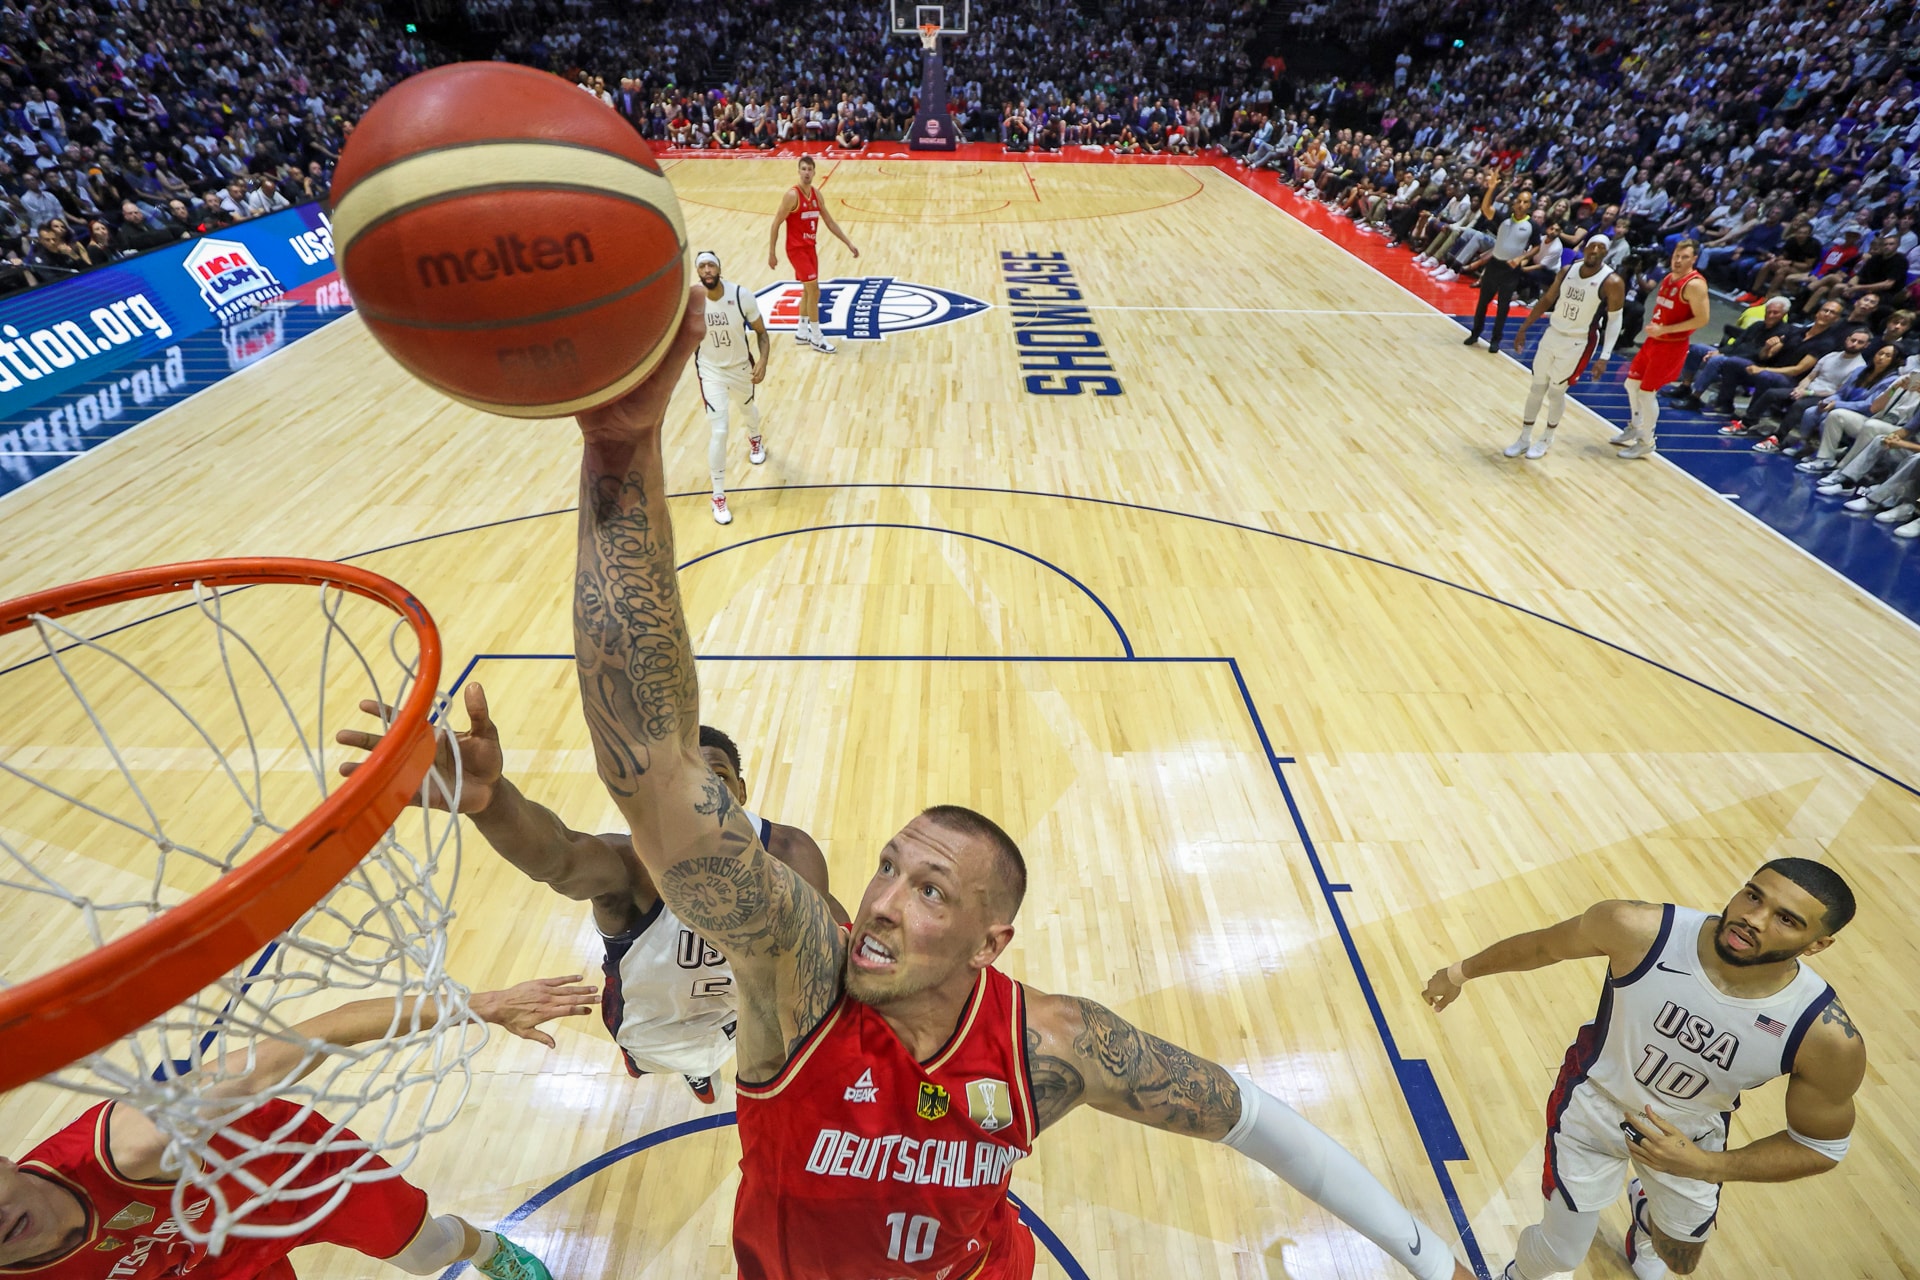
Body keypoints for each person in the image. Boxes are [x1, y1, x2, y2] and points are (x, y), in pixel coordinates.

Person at [563, 297, 1474, 1280]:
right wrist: (620, 442)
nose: (877, 901)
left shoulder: (1053, 1045)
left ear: (992, 942)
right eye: (888, 866)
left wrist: (1430, 1256)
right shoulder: (797, 973)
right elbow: (652, 762)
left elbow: (1242, 1113)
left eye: (930, 890)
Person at [336, 683, 842, 1105]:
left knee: (720, 1051)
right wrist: (491, 803)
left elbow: (832, 943)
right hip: (652, 1023)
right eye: (691, 783)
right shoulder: (634, 866)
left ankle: (701, 1068)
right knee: (653, 1063)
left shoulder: (792, 853)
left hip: (736, 1018)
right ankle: (683, 1068)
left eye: (720, 778)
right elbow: (561, 856)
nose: (707, 794)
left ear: (743, 790)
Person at [1423, 860, 1863, 1280]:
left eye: (1786, 920)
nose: (1755, 919)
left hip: (1689, 1136)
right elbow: (1543, 946)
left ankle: (1646, 1212)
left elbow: (1820, 1147)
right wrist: (1457, 973)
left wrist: (1708, 1166)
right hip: (1592, 1105)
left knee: (1681, 1261)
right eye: (1752, 896)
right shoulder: (1639, 929)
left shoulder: (1824, 1036)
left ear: (1817, 945)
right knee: (1560, 1253)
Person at [0, 976, 593, 1280]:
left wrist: (484, 1005)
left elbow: (327, 1028)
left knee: (427, 1253)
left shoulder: (134, 1141)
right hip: (191, 1253)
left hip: (285, 1168)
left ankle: (492, 1250)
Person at [1505, 235, 1625, 460]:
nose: (1595, 250)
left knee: (1556, 391)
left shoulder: (1612, 282)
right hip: (1553, 333)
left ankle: (1547, 437)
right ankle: (1524, 438)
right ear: (1585, 248)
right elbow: (1548, 299)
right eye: (1592, 246)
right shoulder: (1568, 270)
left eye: (1601, 248)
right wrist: (1524, 328)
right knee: (1536, 387)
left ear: (1606, 253)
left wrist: (1605, 356)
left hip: (1579, 341)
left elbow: (1615, 321)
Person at [691, 250, 772, 525]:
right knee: (720, 429)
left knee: (748, 409)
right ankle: (718, 496)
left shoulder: (740, 296)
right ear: (698, 272)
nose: (707, 270)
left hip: (740, 367)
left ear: (719, 269)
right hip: (710, 371)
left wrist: (763, 361)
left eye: (711, 265)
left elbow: (762, 333)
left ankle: (755, 437)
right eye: (702, 266)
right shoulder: (692, 301)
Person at [1615, 240, 1710, 460]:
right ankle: (1636, 426)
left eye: (1684, 257)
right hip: (1654, 341)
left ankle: (1646, 441)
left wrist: (1665, 329)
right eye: (1676, 255)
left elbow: (1702, 319)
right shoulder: (1668, 278)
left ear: (1694, 259)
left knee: (1647, 393)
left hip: (1671, 345)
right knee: (1631, 383)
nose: (1678, 260)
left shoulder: (1695, 284)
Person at [768, 155, 859, 354]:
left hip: (810, 248)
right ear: (798, 171)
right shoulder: (792, 196)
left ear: (814, 172)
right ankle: (816, 337)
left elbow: (830, 222)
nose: (807, 172)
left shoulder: (817, 195)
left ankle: (802, 331)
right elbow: (775, 224)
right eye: (804, 169)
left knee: (808, 291)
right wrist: (772, 253)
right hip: (796, 249)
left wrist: (848, 243)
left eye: (810, 169)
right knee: (814, 290)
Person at [1460, 187, 1536, 354]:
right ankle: (1475, 333)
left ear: (1530, 206)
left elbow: (1537, 246)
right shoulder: (1503, 219)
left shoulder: (1532, 226)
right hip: (1494, 265)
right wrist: (1492, 188)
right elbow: (1486, 207)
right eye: (1519, 201)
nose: (1521, 205)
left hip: (1511, 271)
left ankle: (1495, 340)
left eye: (1525, 202)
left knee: (1503, 307)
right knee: (1482, 303)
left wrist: (1522, 257)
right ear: (1514, 203)